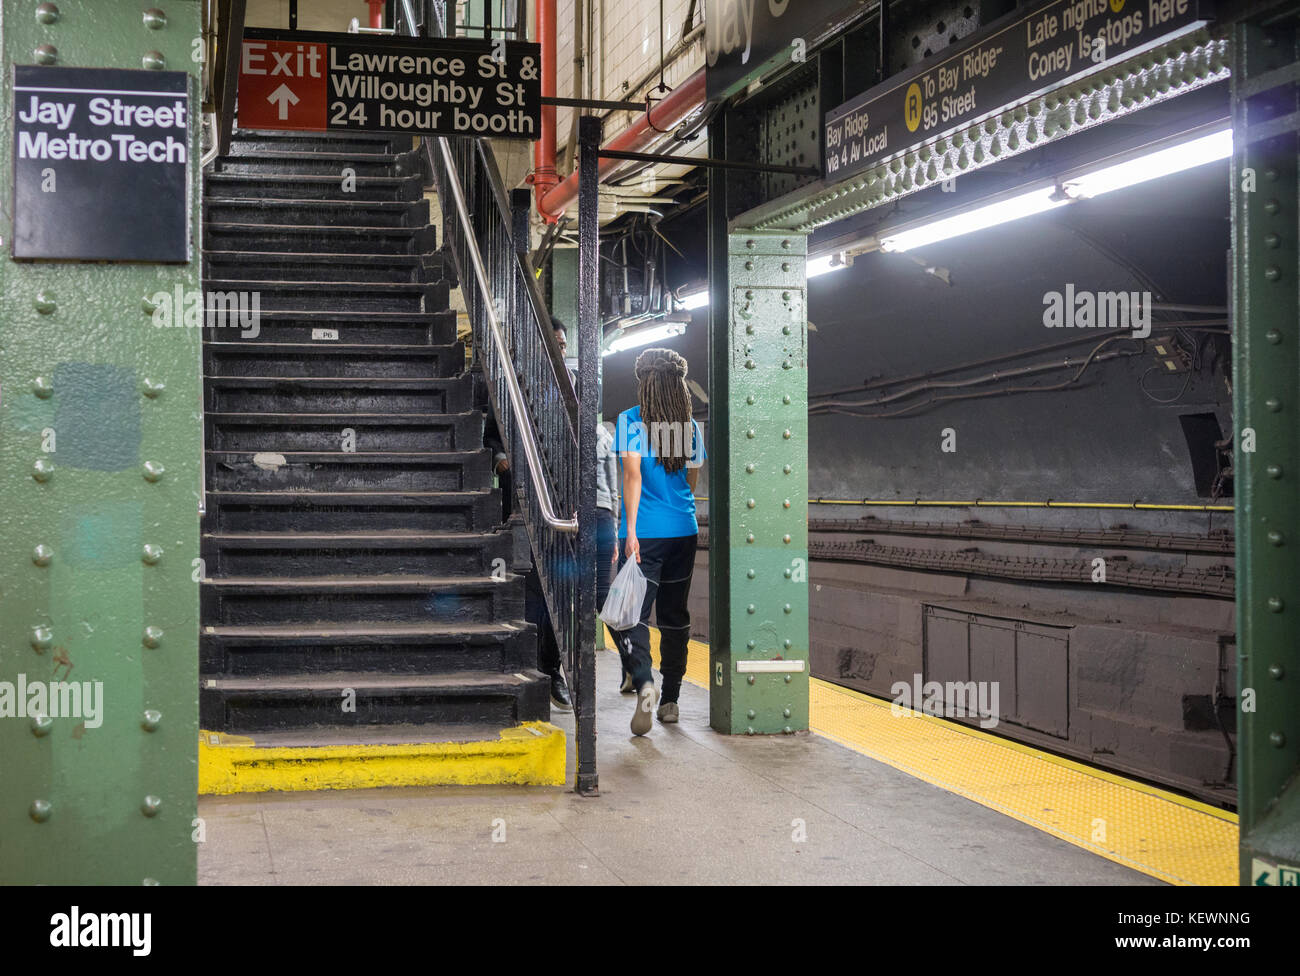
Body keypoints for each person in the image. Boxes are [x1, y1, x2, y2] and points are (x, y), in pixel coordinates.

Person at [611, 347, 705, 735]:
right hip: (684, 531)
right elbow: (692, 483)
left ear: (643, 382)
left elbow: (632, 477)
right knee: (674, 617)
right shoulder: (690, 428)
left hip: (644, 534)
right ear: (677, 384)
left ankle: (644, 681)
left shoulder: (630, 420)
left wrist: (630, 531)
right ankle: (671, 701)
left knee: (628, 615)